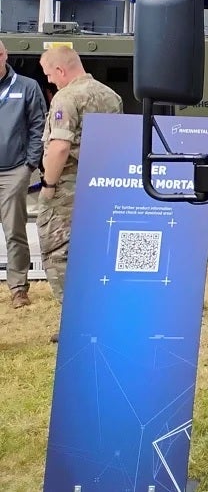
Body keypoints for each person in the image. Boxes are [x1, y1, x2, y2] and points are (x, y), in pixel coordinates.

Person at [37, 45, 122, 318]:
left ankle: (75, 320)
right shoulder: (112, 97)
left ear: (61, 70)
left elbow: (60, 147)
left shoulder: (65, 98)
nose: (49, 80)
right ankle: (99, 314)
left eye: (49, 74)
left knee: (56, 252)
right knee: (96, 253)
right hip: (102, 187)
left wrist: (48, 186)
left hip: (67, 190)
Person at [0, 41, 46, 308]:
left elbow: (38, 124)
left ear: (5, 55)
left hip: (14, 170)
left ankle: (18, 288)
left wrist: (29, 164)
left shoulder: (27, 87)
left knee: (14, 230)